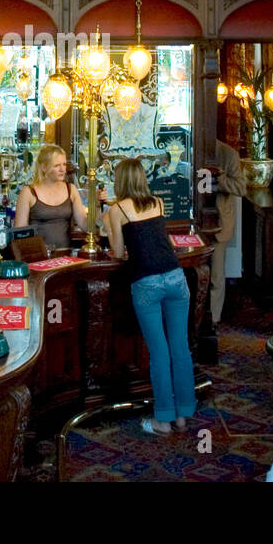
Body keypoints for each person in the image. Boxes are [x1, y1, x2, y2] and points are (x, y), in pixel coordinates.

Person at [106, 157, 197, 436]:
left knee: (159, 352)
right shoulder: (157, 202)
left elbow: (119, 253)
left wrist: (106, 227)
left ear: (119, 181)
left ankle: (163, 420)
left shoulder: (117, 209)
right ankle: (182, 417)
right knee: (180, 348)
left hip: (146, 282)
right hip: (175, 277)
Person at [14, 144, 87, 252]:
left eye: (64, 164)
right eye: (57, 165)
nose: (63, 169)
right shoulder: (28, 192)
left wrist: (98, 205)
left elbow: (84, 224)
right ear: (44, 167)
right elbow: (19, 233)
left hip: (66, 255)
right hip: (39, 256)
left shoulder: (71, 190)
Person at [209, 140, 246, 323]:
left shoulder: (228, 153)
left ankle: (213, 321)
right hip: (194, 220)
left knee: (216, 276)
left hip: (219, 222)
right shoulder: (187, 146)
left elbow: (241, 188)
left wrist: (220, 179)